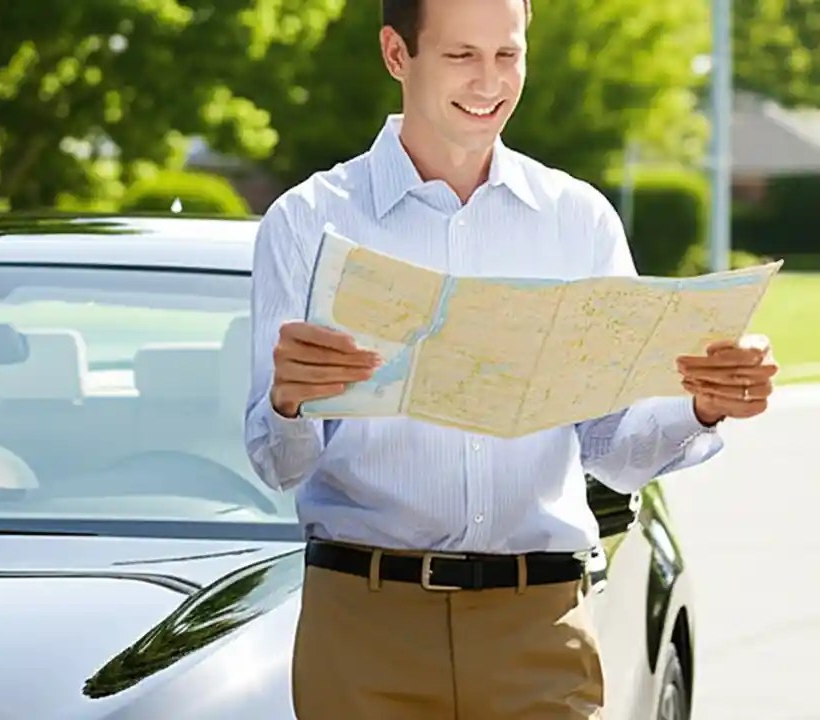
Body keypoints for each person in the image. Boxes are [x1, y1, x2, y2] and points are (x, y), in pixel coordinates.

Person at [244, 0, 779, 718]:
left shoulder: (578, 221)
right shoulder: (308, 222)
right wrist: (289, 402)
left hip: (542, 630)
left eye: (508, 54)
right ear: (397, 55)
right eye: (462, 55)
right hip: (365, 630)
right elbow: (280, 464)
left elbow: (612, 451)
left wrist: (703, 404)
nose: (490, 81)